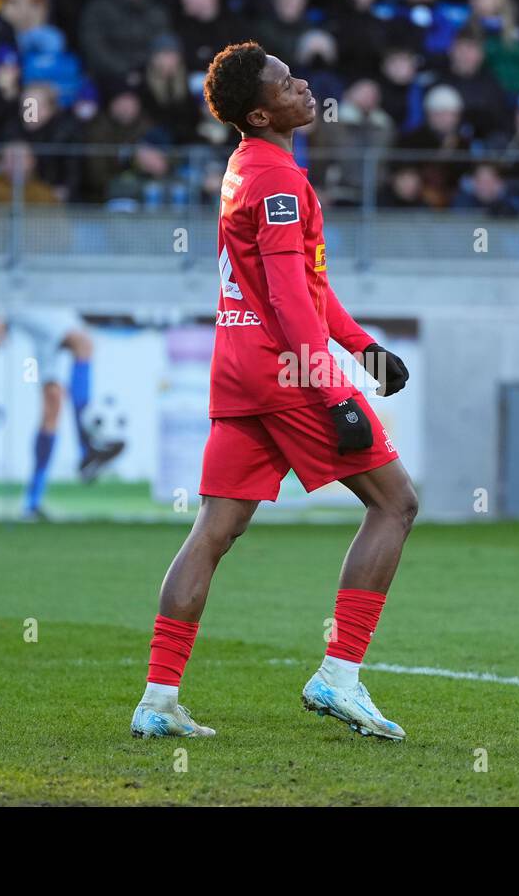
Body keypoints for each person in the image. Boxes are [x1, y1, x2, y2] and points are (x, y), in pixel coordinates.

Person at [129, 41, 418, 741]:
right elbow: (290, 305)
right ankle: (339, 676)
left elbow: (307, 290)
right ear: (260, 112)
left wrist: (362, 348)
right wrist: (336, 393)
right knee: (396, 504)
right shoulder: (281, 183)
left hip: (240, 370)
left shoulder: (246, 169)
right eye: (287, 84)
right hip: (284, 371)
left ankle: (158, 700)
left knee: (213, 531)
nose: (304, 86)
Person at [0, 307, 125, 519]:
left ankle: (32, 501)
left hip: (52, 304)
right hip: (34, 301)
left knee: (52, 403)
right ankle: (87, 450)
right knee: (83, 344)